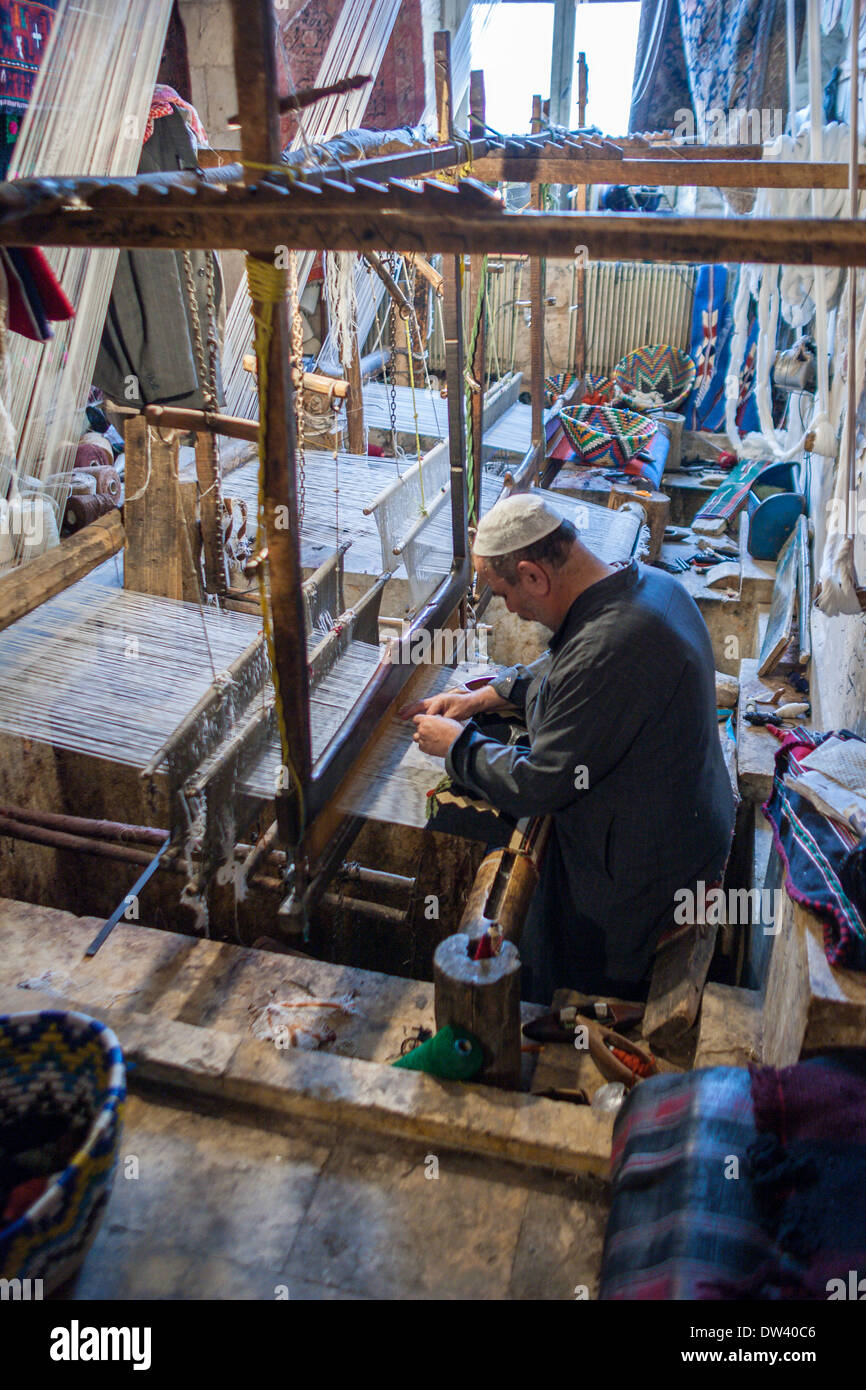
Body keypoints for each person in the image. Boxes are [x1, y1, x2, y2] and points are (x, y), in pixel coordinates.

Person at [400, 492, 736, 1003]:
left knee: (550, 951)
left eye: (505, 593)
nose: (512, 608)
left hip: (648, 878)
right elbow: (566, 662)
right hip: (688, 827)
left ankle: (570, 1000)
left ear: (535, 576)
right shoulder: (652, 586)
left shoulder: (609, 650)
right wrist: (490, 694)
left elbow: (539, 784)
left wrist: (457, 746)